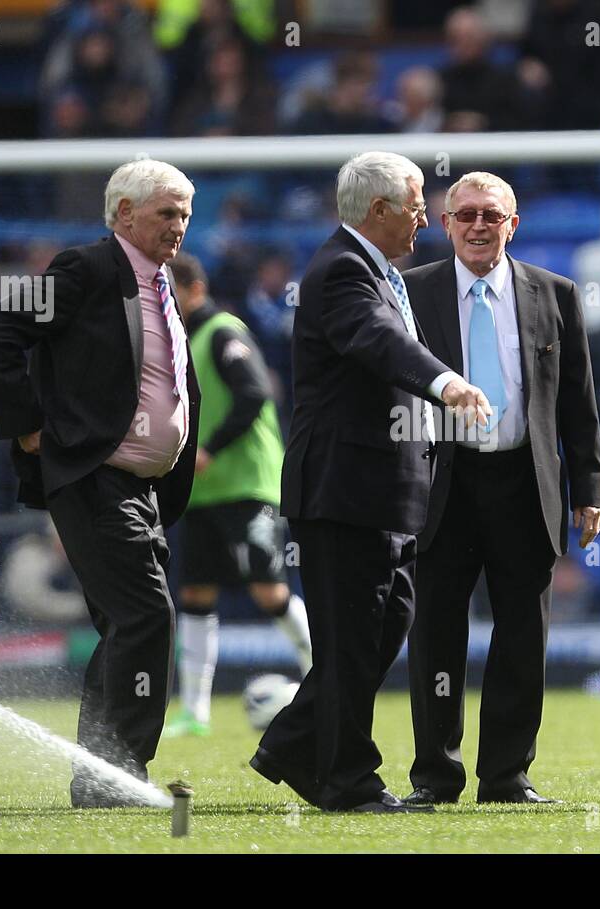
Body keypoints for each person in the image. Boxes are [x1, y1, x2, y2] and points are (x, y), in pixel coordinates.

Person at [249, 151, 491, 814]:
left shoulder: (377, 270)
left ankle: (294, 746)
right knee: (354, 639)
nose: (425, 217)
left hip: (382, 492)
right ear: (379, 210)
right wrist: (445, 382)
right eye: (416, 205)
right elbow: (378, 340)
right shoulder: (341, 272)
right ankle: (348, 781)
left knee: (378, 632)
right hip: (346, 490)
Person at [0, 159, 200, 807]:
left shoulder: (159, 283)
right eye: (166, 212)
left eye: (185, 213)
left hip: (140, 487)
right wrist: (27, 429)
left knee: (126, 622)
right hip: (94, 477)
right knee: (145, 615)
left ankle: (99, 775)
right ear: (124, 213)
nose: (179, 225)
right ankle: (117, 772)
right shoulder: (88, 269)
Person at [399, 171, 600, 806]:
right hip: (443, 484)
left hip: (525, 481)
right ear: (446, 224)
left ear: (512, 224)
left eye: (492, 215)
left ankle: (507, 777)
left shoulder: (555, 293)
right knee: (436, 630)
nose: (479, 226)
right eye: (466, 215)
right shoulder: (410, 293)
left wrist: (589, 486)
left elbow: (577, 397)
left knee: (523, 633)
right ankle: (436, 776)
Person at [161, 251, 311, 739]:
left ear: (193, 289)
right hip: (205, 491)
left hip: (250, 483)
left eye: (167, 291)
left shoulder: (223, 331)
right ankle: (194, 713)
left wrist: (208, 450)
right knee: (196, 594)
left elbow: (254, 394)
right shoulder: (175, 343)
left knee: (267, 587)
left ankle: (325, 674)